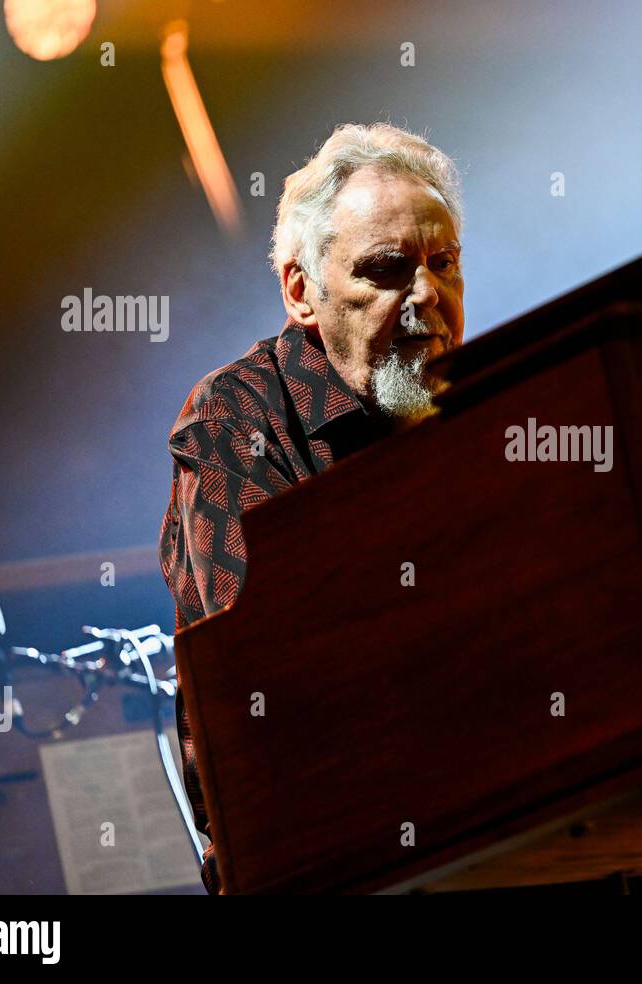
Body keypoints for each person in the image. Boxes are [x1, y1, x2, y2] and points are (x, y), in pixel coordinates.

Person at [159, 122, 465, 893]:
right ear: (302, 290)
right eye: (388, 270)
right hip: (314, 859)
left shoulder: (479, 405)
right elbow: (276, 679)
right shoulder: (235, 419)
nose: (427, 295)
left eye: (444, 263)